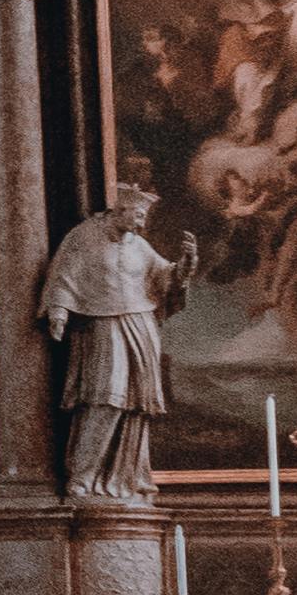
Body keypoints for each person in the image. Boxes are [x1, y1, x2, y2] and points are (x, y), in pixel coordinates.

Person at [39, 159, 196, 505]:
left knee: (136, 405)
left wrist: (184, 267)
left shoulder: (138, 245)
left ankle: (127, 477)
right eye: (138, 216)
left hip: (141, 324)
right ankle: (83, 475)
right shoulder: (84, 237)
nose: (141, 223)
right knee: (105, 398)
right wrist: (59, 310)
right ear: (120, 211)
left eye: (143, 217)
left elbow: (163, 277)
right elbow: (65, 275)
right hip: (103, 323)